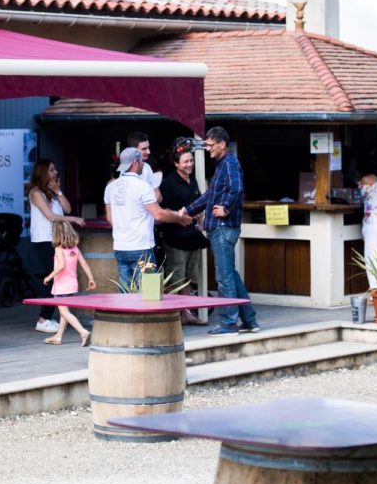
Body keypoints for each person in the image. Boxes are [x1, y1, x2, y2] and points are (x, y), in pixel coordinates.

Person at [186, 126, 261, 336]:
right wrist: (188, 210)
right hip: (222, 228)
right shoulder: (223, 165)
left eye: (211, 145)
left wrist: (226, 208)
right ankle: (249, 320)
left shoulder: (229, 163)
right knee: (231, 276)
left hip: (223, 228)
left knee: (224, 277)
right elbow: (210, 196)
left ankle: (228, 324)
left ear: (222, 144)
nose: (208, 149)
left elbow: (237, 189)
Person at [106, 147, 189, 288]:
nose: (144, 164)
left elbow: (109, 217)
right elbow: (158, 214)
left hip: (120, 247)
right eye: (141, 161)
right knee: (149, 293)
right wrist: (179, 218)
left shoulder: (110, 187)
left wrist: (124, 230)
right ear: (135, 162)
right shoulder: (143, 187)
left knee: (125, 294)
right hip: (142, 248)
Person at [156, 141, 210, 323]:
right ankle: (171, 316)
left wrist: (201, 223)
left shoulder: (193, 180)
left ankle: (186, 313)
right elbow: (160, 213)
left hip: (192, 237)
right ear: (176, 164)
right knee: (175, 279)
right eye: (186, 161)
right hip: (174, 239)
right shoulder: (168, 184)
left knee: (188, 278)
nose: (190, 164)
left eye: (191, 161)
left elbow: (200, 202)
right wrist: (179, 218)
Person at [26, 159, 82, 333]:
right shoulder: (35, 193)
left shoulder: (51, 192)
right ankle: (43, 319)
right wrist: (74, 220)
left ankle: (49, 318)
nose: (55, 172)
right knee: (52, 280)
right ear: (43, 173)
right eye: (51, 170)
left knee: (58, 278)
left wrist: (58, 191)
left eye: (55, 169)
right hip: (43, 241)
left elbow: (67, 207)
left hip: (56, 241)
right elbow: (50, 216)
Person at [41, 220, 96, 346]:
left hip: (61, 285)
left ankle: (83, 332)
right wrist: (91, 278)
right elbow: (84, 264)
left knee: (64, 312)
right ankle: (58, 336)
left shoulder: (58, 249)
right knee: (63, 312)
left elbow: (61, 266)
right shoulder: (75, 249)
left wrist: (48, 277)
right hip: (72, 285)